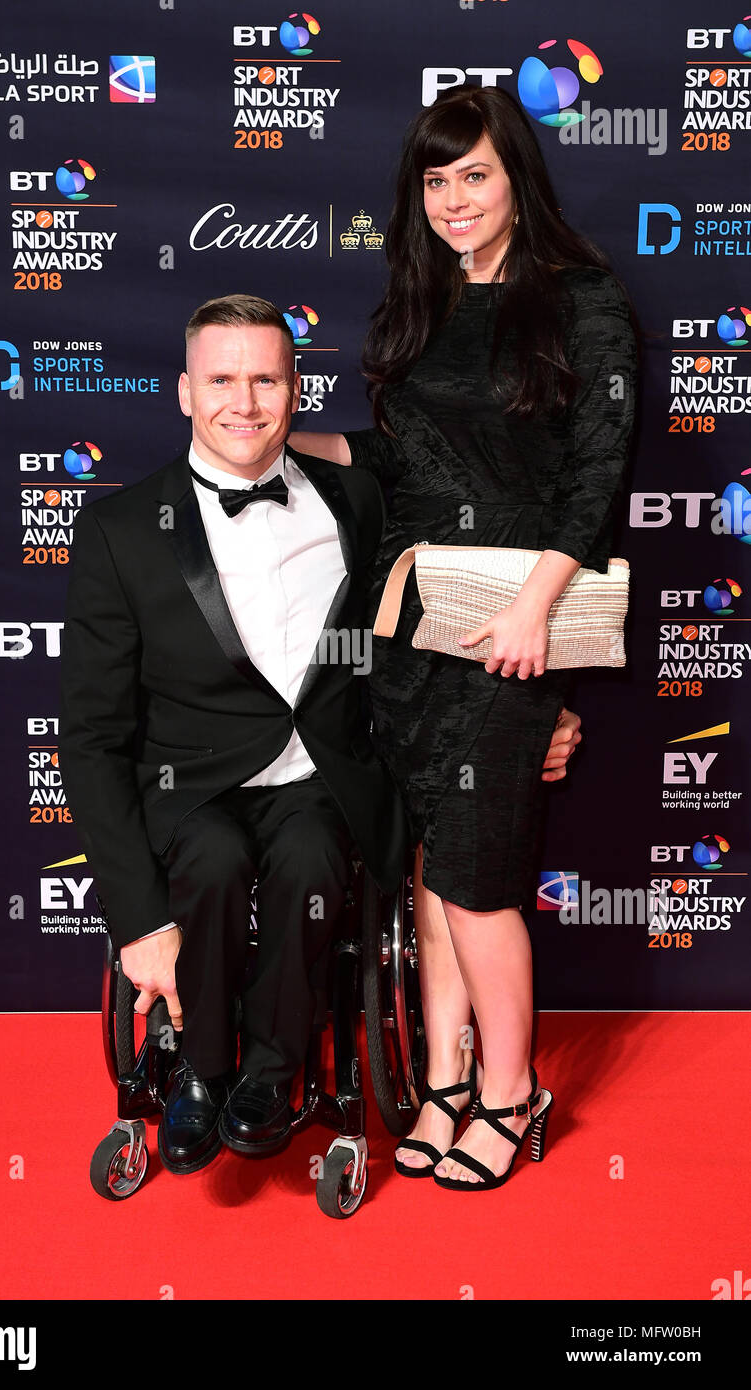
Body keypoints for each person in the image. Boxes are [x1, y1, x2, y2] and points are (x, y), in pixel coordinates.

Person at [290, 84, 637, 1190]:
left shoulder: (578, 301)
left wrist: (535, 612)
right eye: (433, 181)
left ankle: (510, 1091)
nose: (451, 199)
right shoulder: (420, 304)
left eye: (472, 174)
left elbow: (593, 476)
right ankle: (443, 1083)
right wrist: (281, 439)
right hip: (416, 616)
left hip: (509, 620)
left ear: (514, 177)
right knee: (433, 871)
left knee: (480, 879)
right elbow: (400, 469)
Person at [59, 294, 408, 1173]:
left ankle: (272, 1074)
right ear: (184, 391)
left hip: (316, 779)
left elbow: (450, 465)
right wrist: (137, 918)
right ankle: (202, 1075)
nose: (243, 403)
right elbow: (94, 737)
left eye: (265, 379)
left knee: (313, 865)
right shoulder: (119, 530)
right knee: (209, 866)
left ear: (296, 392)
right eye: (221, 379)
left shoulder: (355, 499)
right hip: (192, 787)